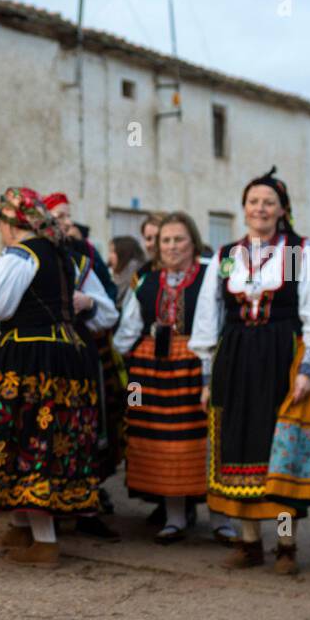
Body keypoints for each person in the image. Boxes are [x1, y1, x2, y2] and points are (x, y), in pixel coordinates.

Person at [189, 167, 310, 575]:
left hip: (281, 356)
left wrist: (308, 368)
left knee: (279, 451)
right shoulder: (225, 258)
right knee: (240, 447)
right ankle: (248, 543)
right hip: (236, 358)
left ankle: (286, 546)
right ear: (243, 208)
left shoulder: (297, 252)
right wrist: (207, 375)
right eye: (253, 201)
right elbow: (210, 314)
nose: (260, 208)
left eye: (268, 203)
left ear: (281, 210)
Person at [0, 188, 118, 566]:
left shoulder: (22, 255)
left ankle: (45, 541)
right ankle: (24, 527)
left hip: (29, 357)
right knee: (51, 439)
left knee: (28, 438)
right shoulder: (63, 255)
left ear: (11, 224)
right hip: (68, 355)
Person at [114, 212, 236, 544]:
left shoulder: (212, 273)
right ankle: (175, 519)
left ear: (193, 241)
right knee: (163, 441)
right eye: (166, 240)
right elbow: (129, 326)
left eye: (179, 239)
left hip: (199, 366)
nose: (171, 246)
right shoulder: (144, 278)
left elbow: (225, 319)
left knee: (205, 441)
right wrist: (126, 358)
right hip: (153, 371)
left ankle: (220, 520)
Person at [46, 194, 125, 534]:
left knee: (85, 430)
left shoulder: (81, 262)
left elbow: (109, 310)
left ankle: (85, 508)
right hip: (39, 362)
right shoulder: (22, 260)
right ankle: (41, 514)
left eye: (67, 217)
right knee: (45, 432)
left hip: (78, 359)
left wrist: (88, 302)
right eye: (57, 217)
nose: (66, 223)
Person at [108, 234, 147, 307]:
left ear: (124, 253)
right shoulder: (114, 273)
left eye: (113, 251)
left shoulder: (133, 268)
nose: (110, 256)